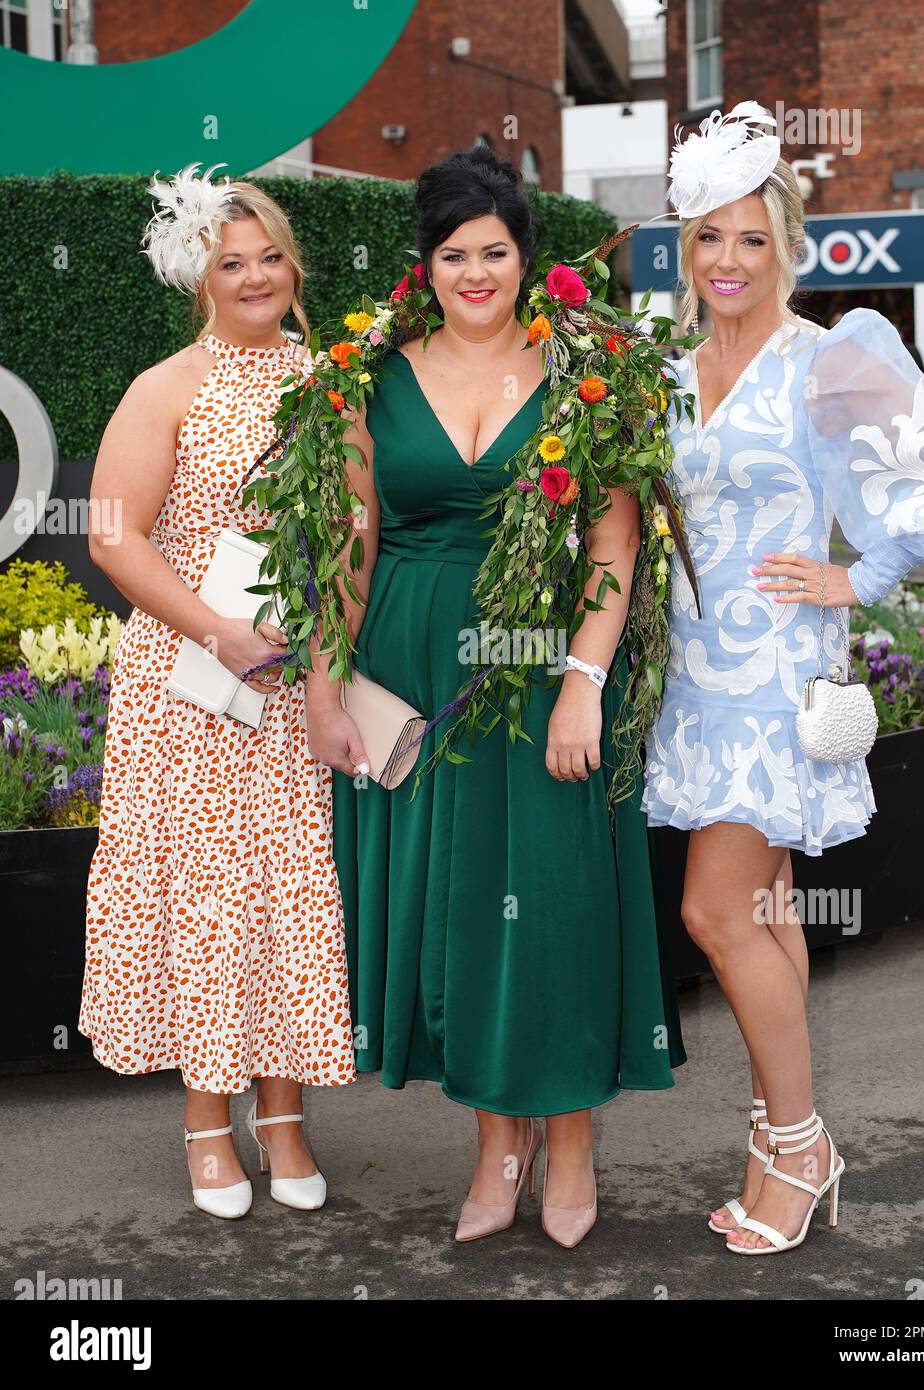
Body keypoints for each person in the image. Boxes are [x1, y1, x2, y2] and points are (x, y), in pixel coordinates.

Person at [304, 145, 685, 1249]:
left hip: (539, 666)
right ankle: (492, 1143)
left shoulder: (584, 371)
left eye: (495, 252)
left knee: (552, 900)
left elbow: (615, 543)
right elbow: (347, 541)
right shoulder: (368, 380)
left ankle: (568, 1143)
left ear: (527, 259)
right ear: (424, 267)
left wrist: (583, 686)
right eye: (453, 254)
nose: (475, 272)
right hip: (415, 667)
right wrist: (327, 687)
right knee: (460, 909)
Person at [645, 103, 924, 1255]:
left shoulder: (829, 355)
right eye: (708, 238)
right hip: (693, 669)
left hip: (778, 668)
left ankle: (799, 1144)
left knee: (714, 908)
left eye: (753, 240)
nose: (730, 262)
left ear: (787, 245)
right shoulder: (659, 365)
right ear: (683, 248)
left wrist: (865, 574)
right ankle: (774, 1137)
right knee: (767, 911)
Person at [79, 166, 355, 1219]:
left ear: (294, 264)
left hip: (294, 690)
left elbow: (352, 529)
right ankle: (207, 1122)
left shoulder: (333, 377)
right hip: (192, 688)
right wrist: (218, 630)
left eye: (268, 256)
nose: (253, 276)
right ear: (198, 275)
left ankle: (284, 1119)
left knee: (289, 896)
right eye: (229, 261)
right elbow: (112, 533)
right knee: (208, 900)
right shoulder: (165, 386)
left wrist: (324, 662)